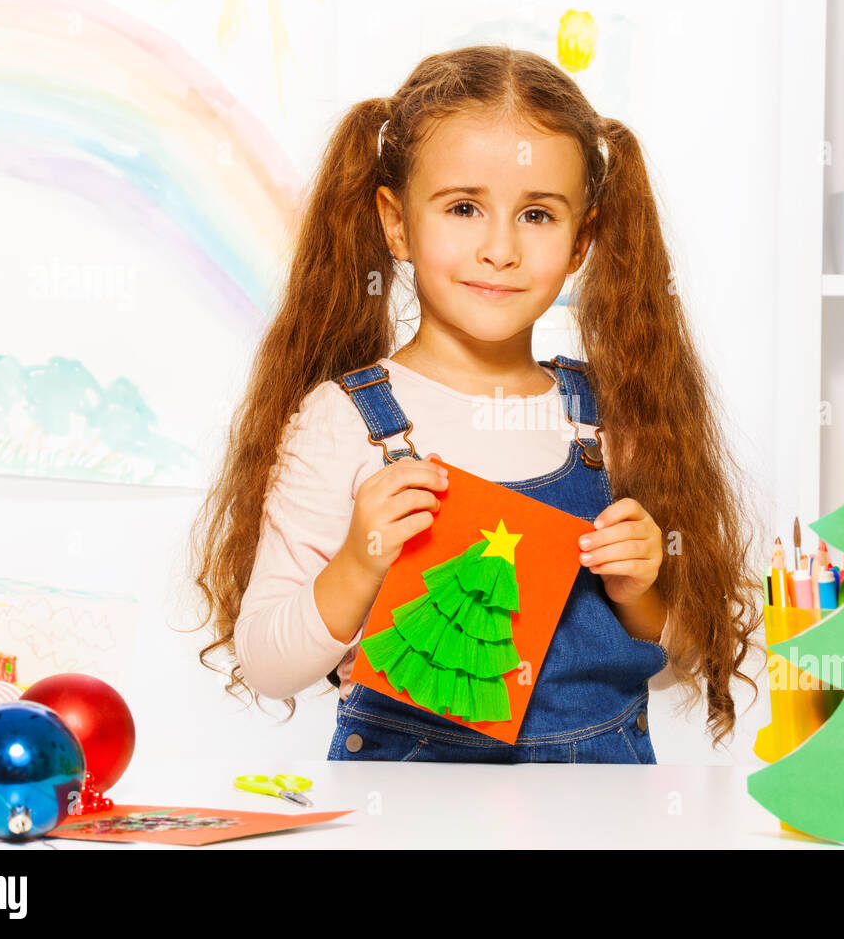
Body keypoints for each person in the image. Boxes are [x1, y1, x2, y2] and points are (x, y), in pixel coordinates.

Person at [191, 44, 764, 762]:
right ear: (396, 223)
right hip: (408, 818)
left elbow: (689, 658)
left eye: (538, 215)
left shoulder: (612, 417)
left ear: (582, 239)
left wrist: (642, 592)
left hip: (599, 817)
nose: (500, 248)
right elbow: (269, 666)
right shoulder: (346, 422)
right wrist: (359, 563)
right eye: (464, 207)